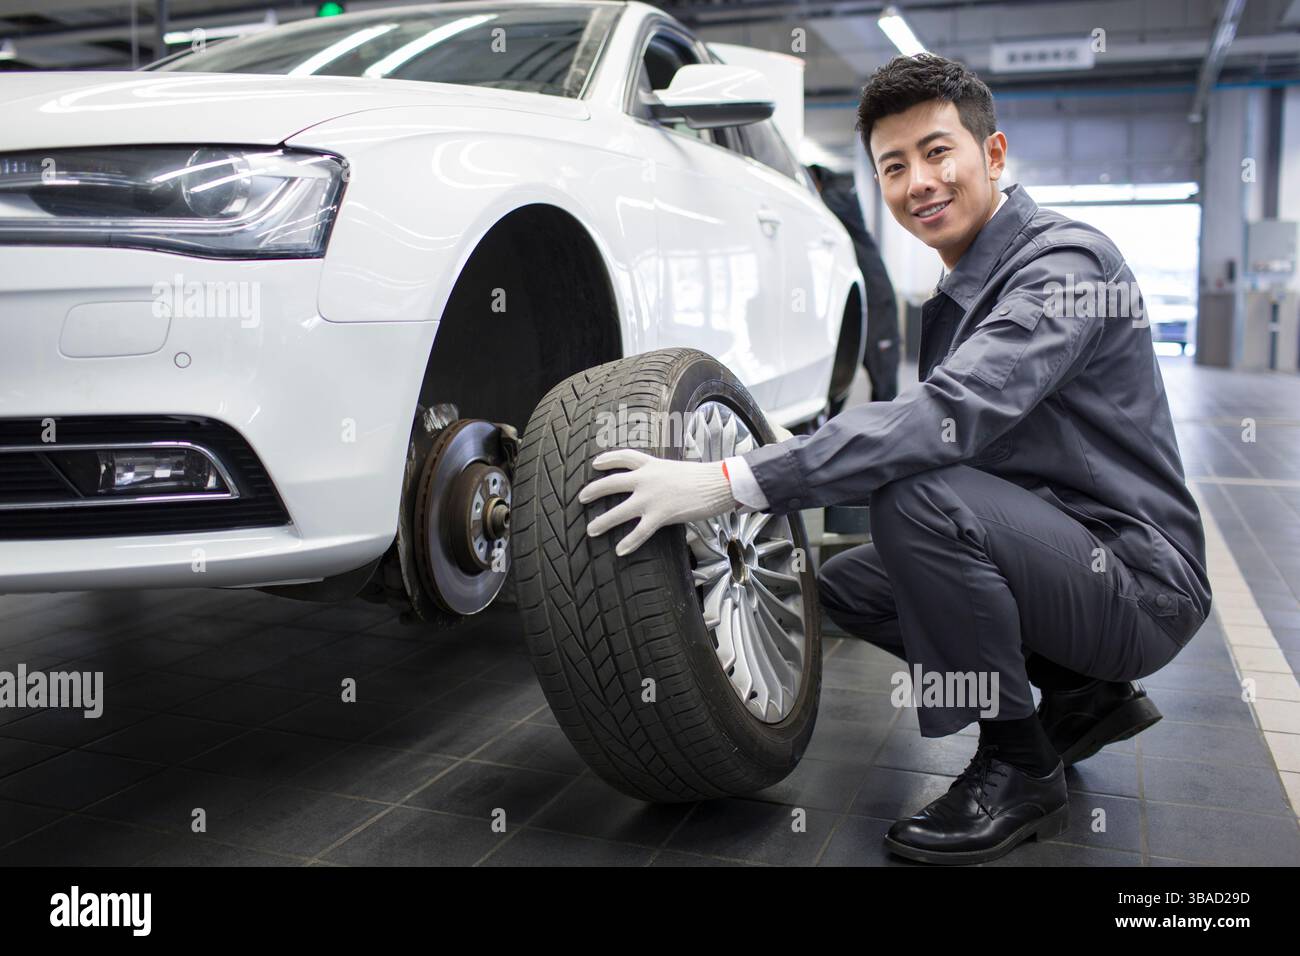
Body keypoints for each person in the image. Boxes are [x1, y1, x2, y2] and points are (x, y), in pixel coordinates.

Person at [577, 53, 1211, 865]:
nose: (919, 182)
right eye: (895, 165)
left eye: (938, 152)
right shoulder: (965, 287)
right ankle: (1080, 692)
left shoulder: (1064, 268)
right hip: (1064, 549)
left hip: (1137, 581)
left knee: (918, 500)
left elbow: (943, 420)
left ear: (994, 154)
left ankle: (1019, 766)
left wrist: (732, 480)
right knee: (847, 586)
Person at [806, 163, 901, 402]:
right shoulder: (830, 192)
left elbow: (823, 207)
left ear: (815, 180)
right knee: (837, 379)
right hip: (848, 296)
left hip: (876, 294)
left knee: (883, 380)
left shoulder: (841, 190)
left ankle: (887, 435)